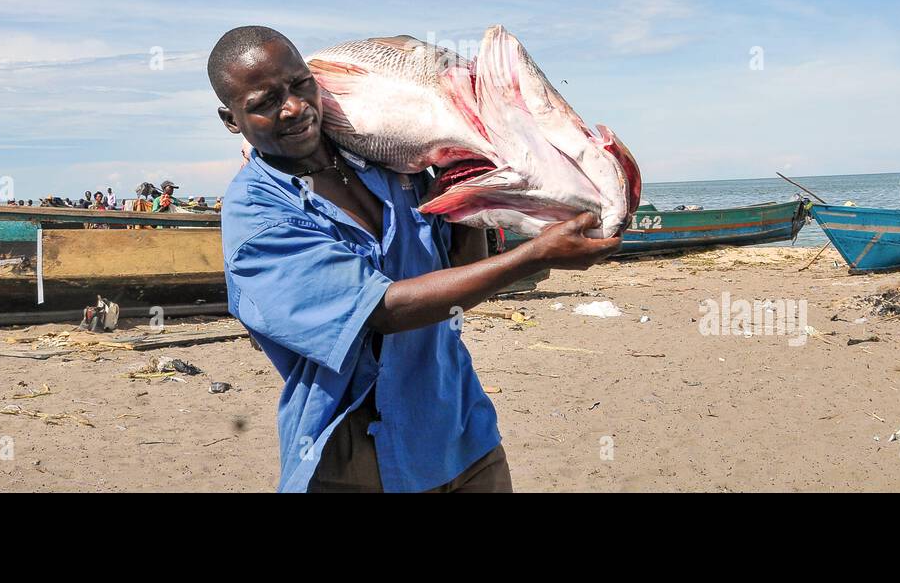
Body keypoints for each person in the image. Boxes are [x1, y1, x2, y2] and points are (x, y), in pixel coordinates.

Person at [207, 25, 619, 494]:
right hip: (360, 454)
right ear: (231, 118)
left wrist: (461, 166)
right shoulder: (259, 218)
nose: (295, 108)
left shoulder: (386, 159)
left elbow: (459, 267)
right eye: (264, 102)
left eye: (300, 84)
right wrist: (534, 257)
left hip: (460, 426)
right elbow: (383, 311)